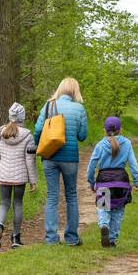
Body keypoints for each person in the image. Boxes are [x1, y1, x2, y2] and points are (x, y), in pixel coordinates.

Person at [32, 77, 89, 245]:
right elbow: (83, 136)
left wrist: (39, 144)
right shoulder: (79, 109)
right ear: (75, 91)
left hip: (50, 156)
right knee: (71, 195)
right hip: (70, 158)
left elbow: (37, 129)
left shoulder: (49, 105)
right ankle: (71, 237)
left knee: (52, 196)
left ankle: (51, 238)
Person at [86, 116, 138, 248]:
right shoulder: (127, 143)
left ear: (104, 130)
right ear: (120, 129)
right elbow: (133, 164)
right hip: (121, 182)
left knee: (104, 208)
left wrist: (91, 181)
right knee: (117, 210)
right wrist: (136, 181)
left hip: (104, 182)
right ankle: (111, 240)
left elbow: (91, 165)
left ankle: (104, 225)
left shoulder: (100, 145)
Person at [0, 103, 37, 249]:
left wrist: (4, 159)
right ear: (22, 117)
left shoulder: (0, 133)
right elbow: (30, 161)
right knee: (17, 204)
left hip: (4, 175)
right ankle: (16, 238)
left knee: (4, 203)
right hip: (19, 178)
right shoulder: (28, 136)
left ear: (10, 116)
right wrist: (33, 181)